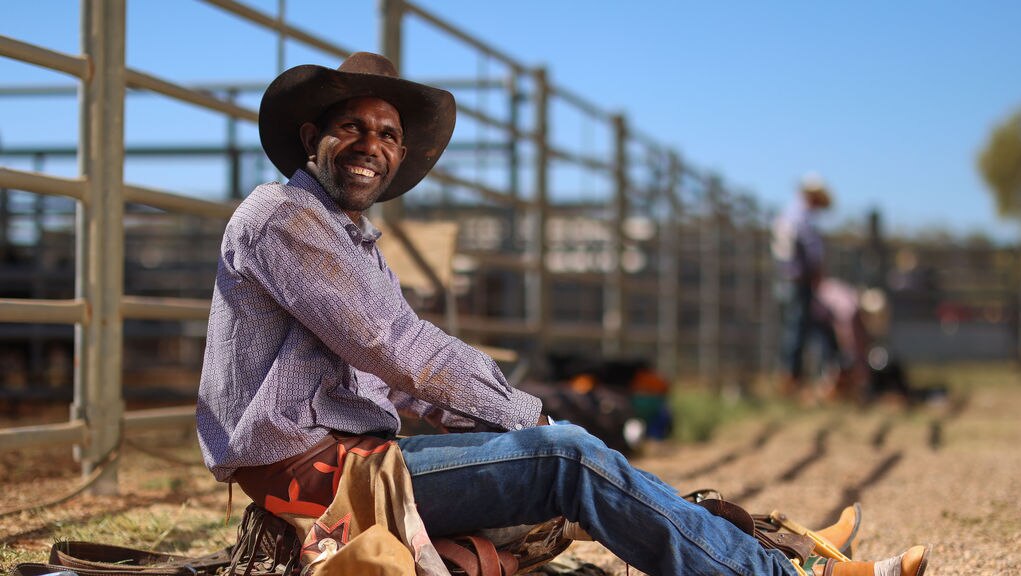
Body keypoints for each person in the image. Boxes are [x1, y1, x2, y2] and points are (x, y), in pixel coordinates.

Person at [196, 52, 929, 576]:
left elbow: (408, 383)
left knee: (567, 448)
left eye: (388, 134)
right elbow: (397, 347)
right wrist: (530, 420)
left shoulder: (353, 243)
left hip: (358, 464)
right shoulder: (284, 217)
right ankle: (777, 573)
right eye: (352, 126)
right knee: (567, 456)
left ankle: (776, 546)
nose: (373, 146)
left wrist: (526, 421)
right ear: (310, 139)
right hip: (325, 480)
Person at [771, 174, 834, 400]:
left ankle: (794, 378)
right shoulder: (800, 217)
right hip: (799, 279)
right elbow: (808, 250)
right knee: (797, 328)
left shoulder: (791, 214)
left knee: (798, 327)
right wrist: (813, 272)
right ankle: (792, 378)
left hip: (793, 278)